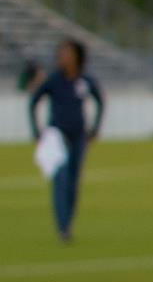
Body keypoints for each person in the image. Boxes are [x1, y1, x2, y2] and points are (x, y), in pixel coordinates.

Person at [27, 38, 104, 243]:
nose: (63, 58)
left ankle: (68, 222)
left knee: (73, 182)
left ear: (77, 57)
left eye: (67, 54)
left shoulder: (84, 80)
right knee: (60, 181)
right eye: (61, 54)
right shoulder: (54, 80)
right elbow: (34, 101)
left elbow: (100, 101)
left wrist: (95, 129)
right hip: (56, 137)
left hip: (78, 136)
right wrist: (37, 132)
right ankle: (63, 228)